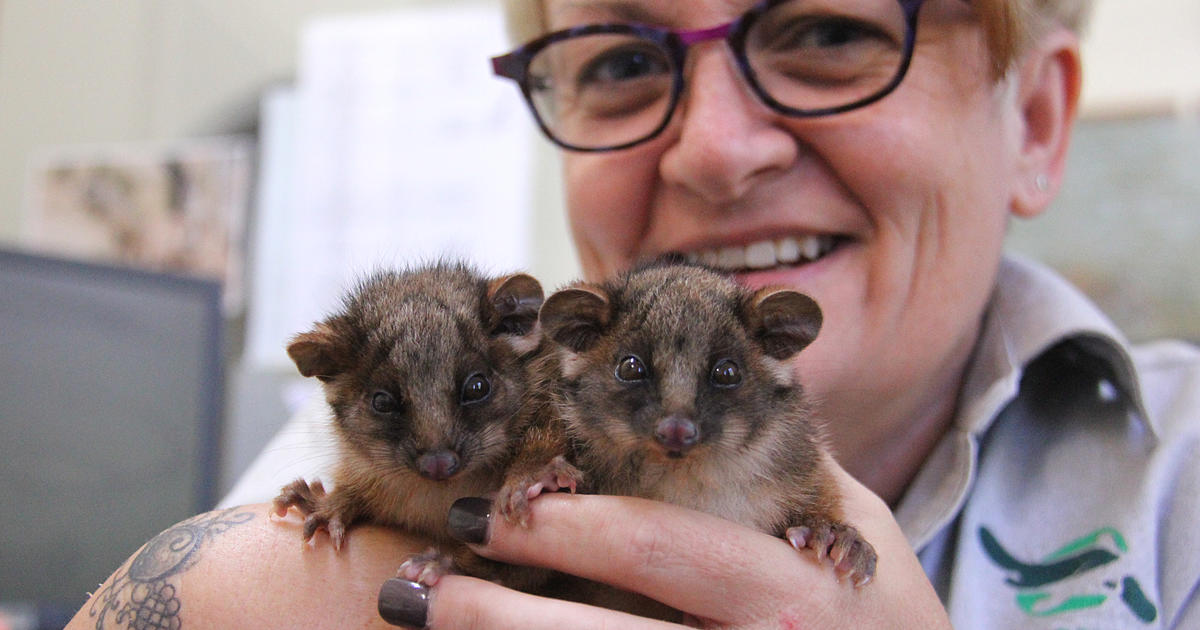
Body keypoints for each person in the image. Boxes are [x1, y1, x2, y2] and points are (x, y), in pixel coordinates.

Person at [65, 0, 1199, 628]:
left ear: (1038, 123)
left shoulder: (1178, 487)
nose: (714, 151)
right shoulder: (465, 403)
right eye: (620, 59)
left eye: (829, 32)